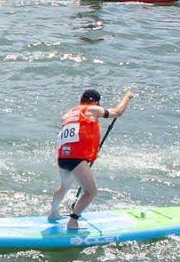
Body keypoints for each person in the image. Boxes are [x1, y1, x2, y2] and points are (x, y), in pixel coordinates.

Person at [48, 89, 133, 227]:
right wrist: (127, 97)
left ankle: (52, 214)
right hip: (76, 158)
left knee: (65, 186)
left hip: (63, 156)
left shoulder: (69, 113)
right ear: (96, 102)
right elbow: (117, 112)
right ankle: (73, 222)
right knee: (90, 192)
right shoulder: (92, 109)